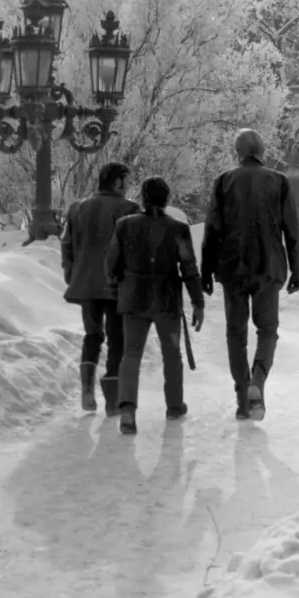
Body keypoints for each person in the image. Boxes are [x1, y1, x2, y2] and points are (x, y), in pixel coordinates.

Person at [200, 128, 299, 422]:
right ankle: (257, 381)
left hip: (232, 266)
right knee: (267, 329)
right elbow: (292, 230)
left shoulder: (223, 181)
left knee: (236, 333)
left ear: (238, 153)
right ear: (262, 152)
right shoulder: (279, 181)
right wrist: (297, 269)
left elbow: (212, 230)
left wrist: (206, 270)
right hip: (268, 267)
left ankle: (242, 400)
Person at [104, 176, 205, 436]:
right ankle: (174, 406)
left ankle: (127, 409)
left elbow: (111, 264)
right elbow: (189, 267)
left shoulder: (124, 226)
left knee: (131, 353)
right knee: (172, 353)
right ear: (167, 198)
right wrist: (197, 301)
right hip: (166, 300)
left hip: (133, 298)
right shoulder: (178, 229)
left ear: (143, 198)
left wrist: (118, 287)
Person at [60, 161, 139, 415]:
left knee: (92, 334)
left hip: (85, 282)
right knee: (117, 339)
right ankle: (112, 398)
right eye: (127, 181)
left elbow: (67, 244)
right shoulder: (129, 209)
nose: (128, 186)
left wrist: (71, 273)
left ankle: (87, 387)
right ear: (117, 182)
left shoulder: (77, 208)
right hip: (116, 284)